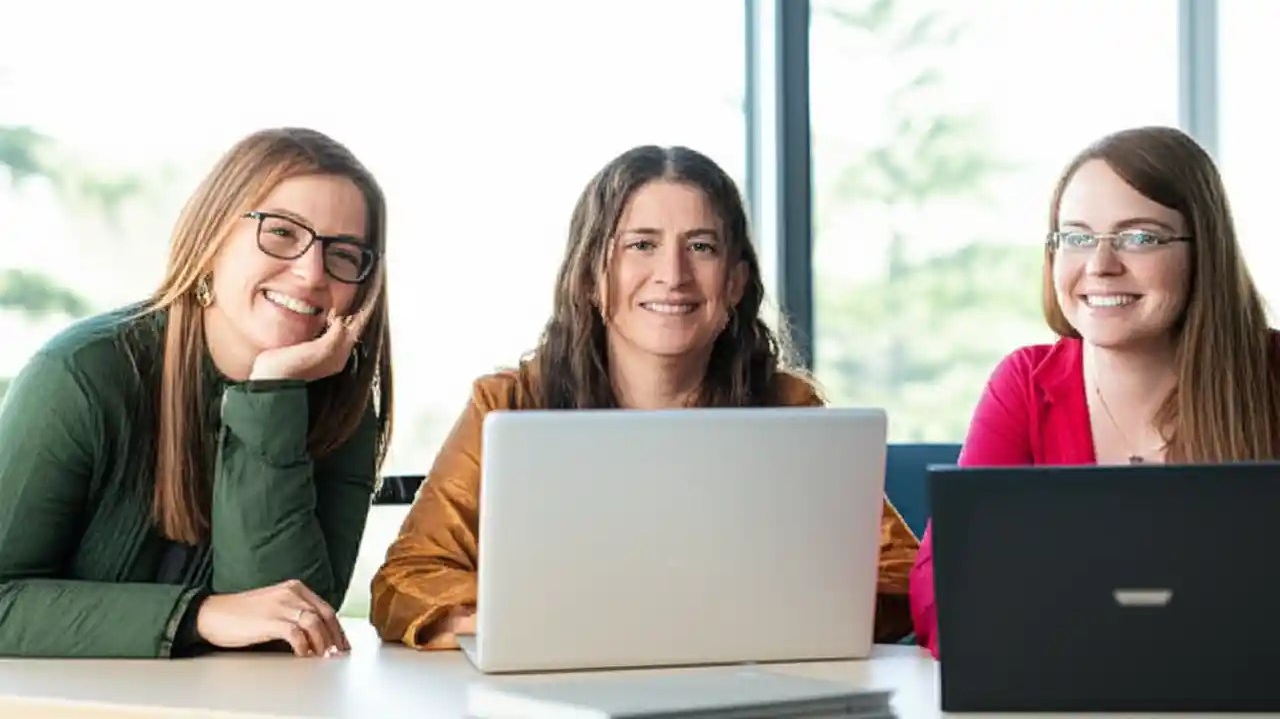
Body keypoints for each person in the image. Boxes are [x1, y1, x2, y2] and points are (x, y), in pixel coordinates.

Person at [370, 144, 918, 650]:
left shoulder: (788, 410)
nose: (673, 275)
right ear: (590, 274)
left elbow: (902, 576)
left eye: (701, 247)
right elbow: (405, 581)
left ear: (734, 282)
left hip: (740, 685)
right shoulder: (511, 405)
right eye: (642, 245)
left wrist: (741, 615)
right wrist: (549, 620)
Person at [0, 127, 395, 659]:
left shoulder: (339, 405)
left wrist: (271, 392)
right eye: (281, 233)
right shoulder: (80, 376)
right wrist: (198, 615)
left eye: (344, 254)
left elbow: (290, 632)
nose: (310, 273)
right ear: (212, 238)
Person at [908, 125, 1280, 658]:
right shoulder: (1024, 385)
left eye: (1140, 237)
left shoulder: (1270, 377)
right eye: (1077, 237)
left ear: (1206, 251)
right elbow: (942, 596)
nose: (1101, 265)